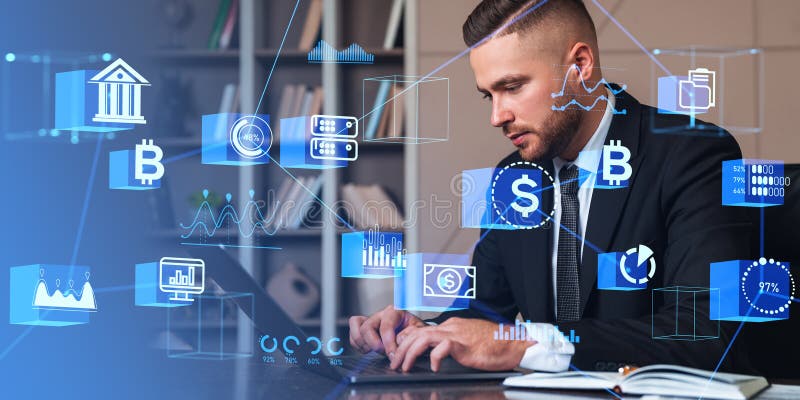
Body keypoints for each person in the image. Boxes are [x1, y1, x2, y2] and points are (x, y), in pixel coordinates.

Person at [349, 0, 754, 374]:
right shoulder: (511, 178)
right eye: (487, 95)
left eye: (512, 87)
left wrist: (524, 343)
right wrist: (425, 331)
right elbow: (488, 318)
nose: (497, 115)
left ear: (580, 65)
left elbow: (709, 333)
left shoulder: (693, 155)